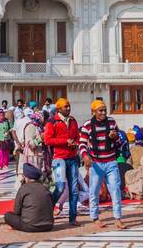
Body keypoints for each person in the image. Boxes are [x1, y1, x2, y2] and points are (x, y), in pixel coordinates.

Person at [79, 98, 126, 229]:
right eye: (100, 110)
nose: (104, 112)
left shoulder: (111, 122)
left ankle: (118, 218)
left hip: (111, 161)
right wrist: (85, 156)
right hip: (96, 163)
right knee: (94, 191)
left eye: (105, 110)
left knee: (115, 189)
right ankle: (95, 218)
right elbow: (82, 144)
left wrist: (115, 137)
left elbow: (119, 143)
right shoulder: (87, 125)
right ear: (94, 112)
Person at [43, 99, 80, 225]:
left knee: (74, 189)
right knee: (60, 187)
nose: (68, 109)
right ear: (59, 109)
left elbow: (77, 136)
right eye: (66, 107)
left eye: (69, 106)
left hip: (72, 157)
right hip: (59, 158)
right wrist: (66, 141)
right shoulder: (52, 122)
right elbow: (47, 140)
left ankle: (73, 218)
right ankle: (48, 212)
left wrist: (76, 143)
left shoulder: (73, 120)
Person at [4, 164, 54, 233]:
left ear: (26, 177)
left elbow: (17, 211)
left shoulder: (23, 188)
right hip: (48, 225)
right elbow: (52, 205)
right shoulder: (45, 188)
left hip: (30, 226)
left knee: (8, 215)